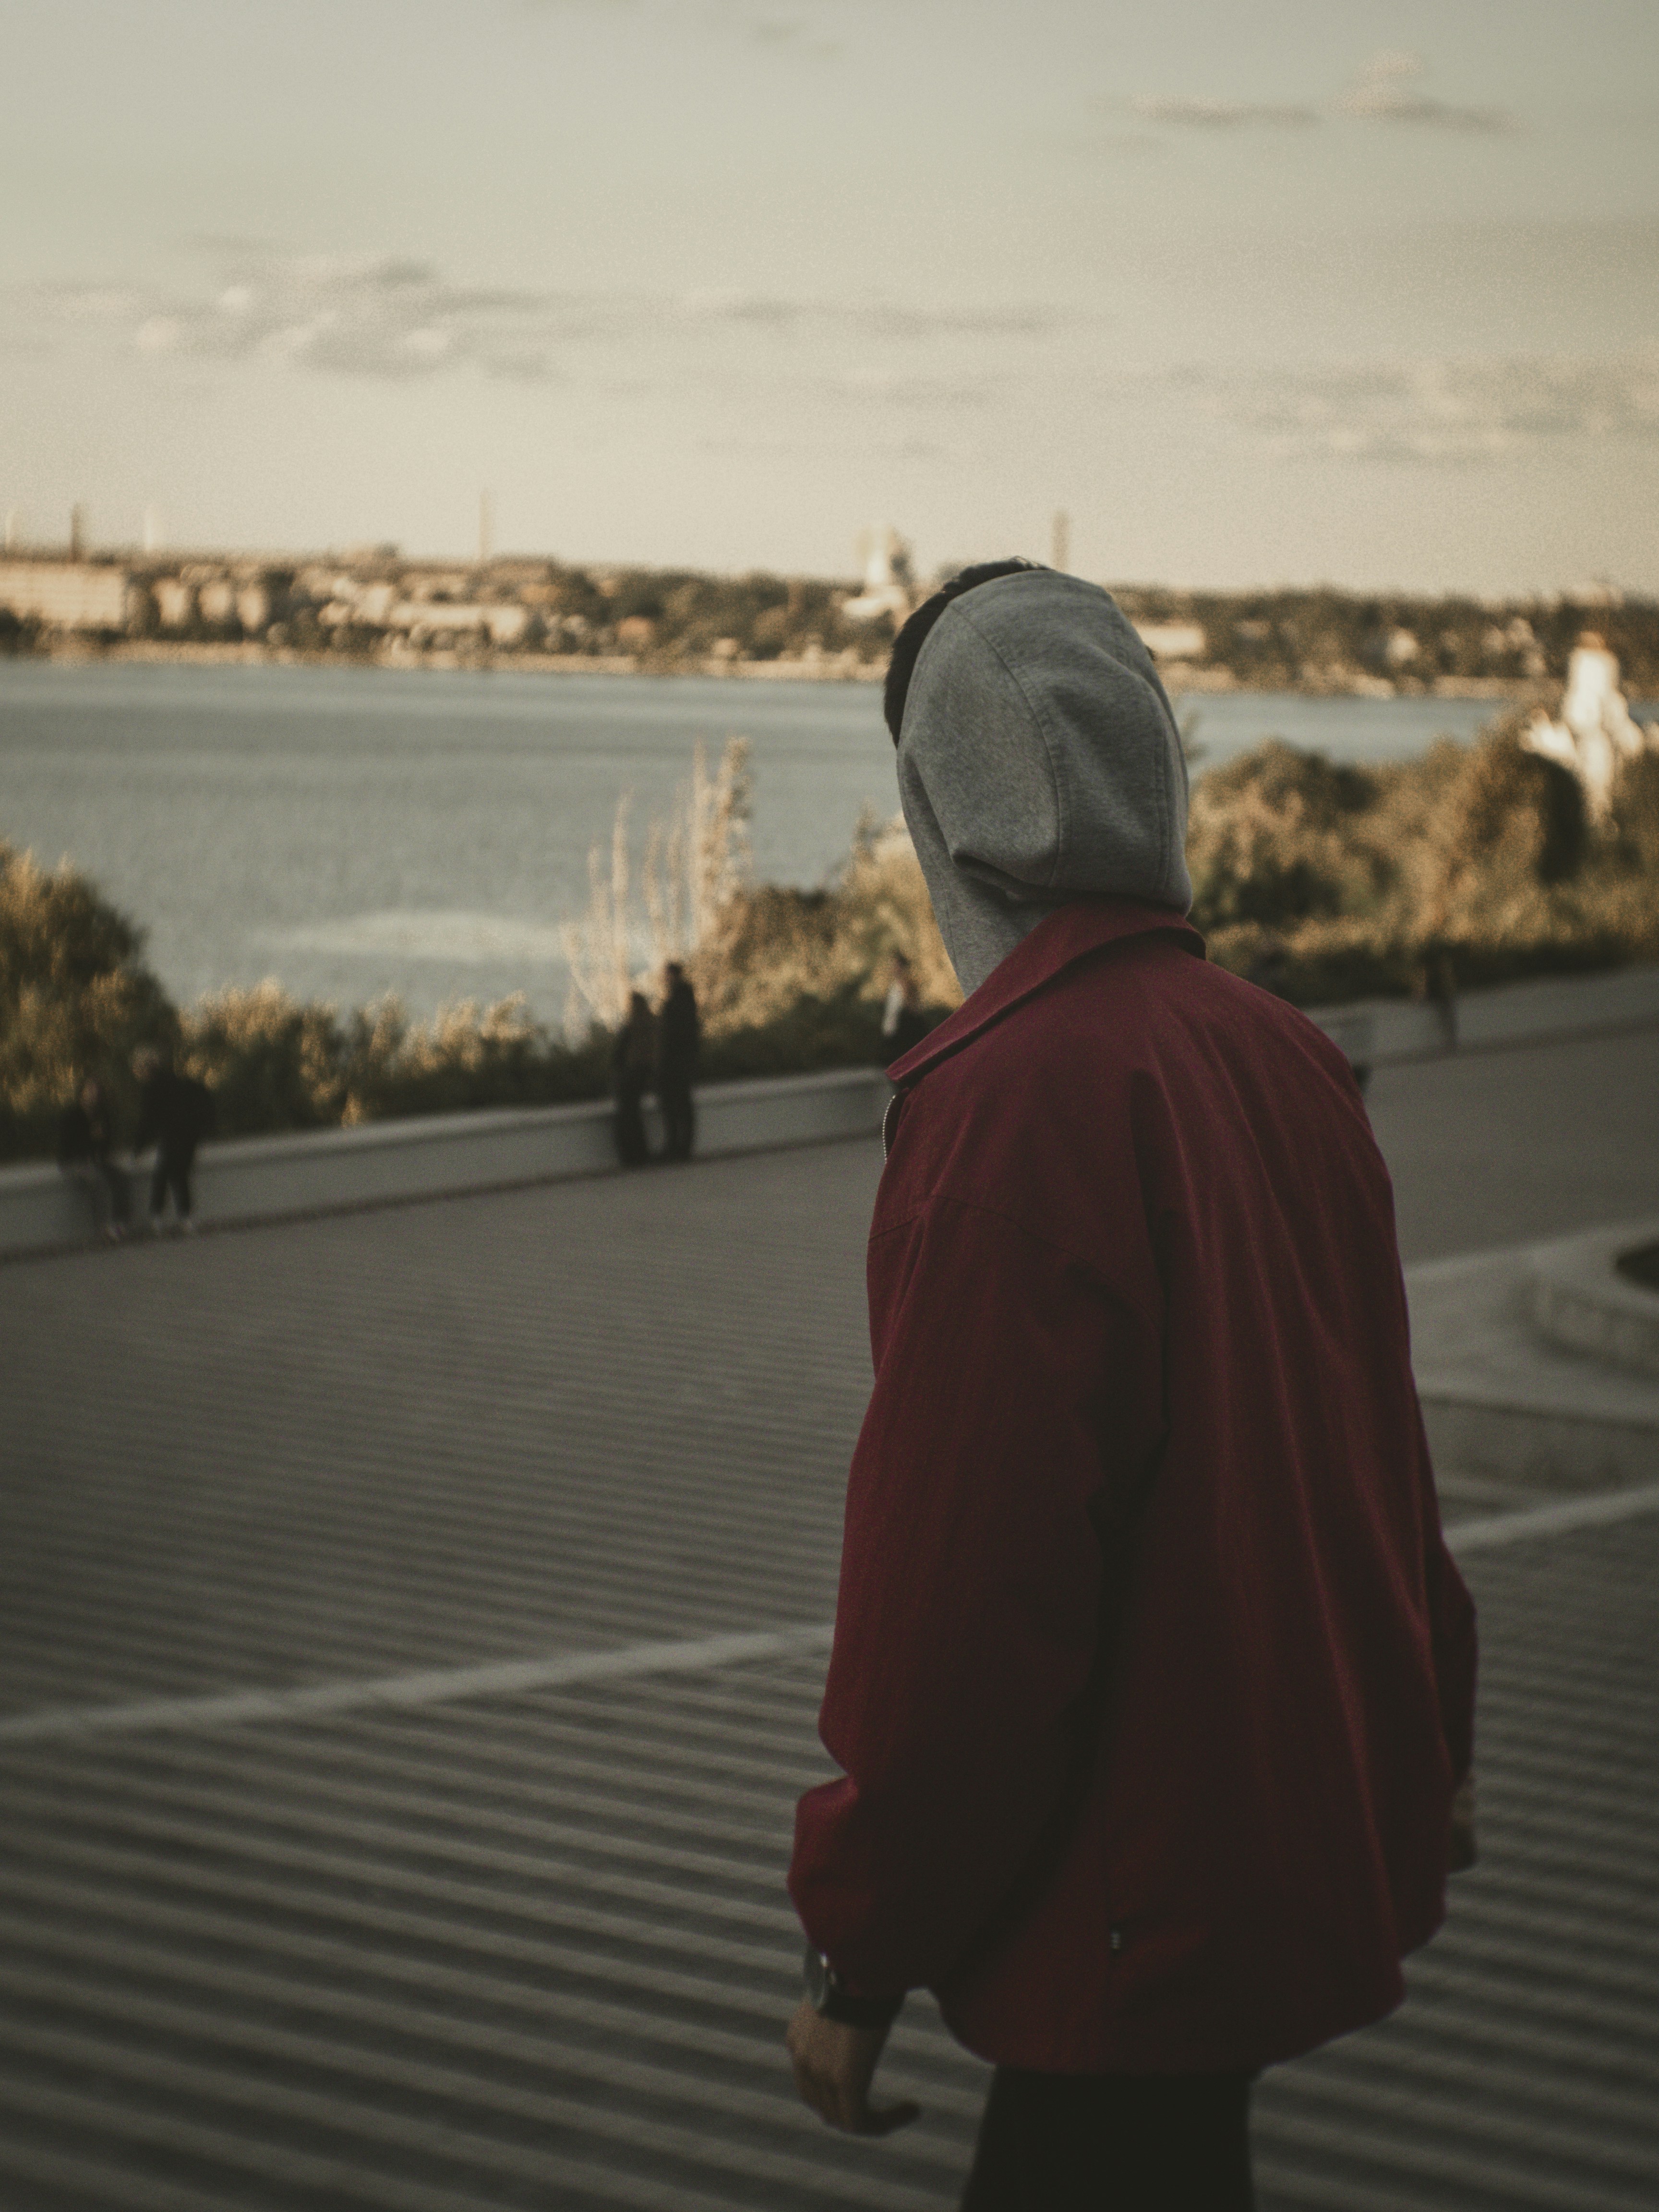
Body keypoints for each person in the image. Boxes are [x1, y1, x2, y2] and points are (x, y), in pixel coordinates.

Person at [784, 562, 1478, 2210]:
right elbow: (1380, 1452)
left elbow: (962, 1597)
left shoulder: (1008, 1100)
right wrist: (1430, 1736)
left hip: (1122, 1907)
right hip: (1249, 1859)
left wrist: (854, 1953)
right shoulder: (1281, 1053)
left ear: (936, 807)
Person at [131, 1046, 215, 1233]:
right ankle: (185, 1218)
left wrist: (138, 1149)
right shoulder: (179, 1082)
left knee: (163, 1175)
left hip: (172, 1137)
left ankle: (158, 1217)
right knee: (180, 1176)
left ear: (145, 1068)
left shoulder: (151, 1089)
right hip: (190, 1136)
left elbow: (147, 1121)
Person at [57, 1076, 131, 1240]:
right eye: (89, 1091)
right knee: (97, 1181)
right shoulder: (72, 1115)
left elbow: (106, 1145)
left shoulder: (101, 1115)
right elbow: (69, 1145)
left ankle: (120, 1223)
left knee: (121, 1178)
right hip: (74, 1162)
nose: (93, 1095)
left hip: (96, 1160)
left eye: (96, 1092)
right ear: (81, 1093)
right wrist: (91, 1138)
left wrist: (101, 1141)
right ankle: (104, 1227)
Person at [656, 961, 700, 1164]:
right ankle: (680, 1146)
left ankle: (678, 1146)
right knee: (680, 1104)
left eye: (667, 975)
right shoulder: (684, 1000)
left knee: (677, 1104)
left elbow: (674, 1035)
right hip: (681, 1061)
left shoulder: (678, 1002)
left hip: (676, 1062)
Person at [612, 991, 657, 1167]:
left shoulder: (633, 1027)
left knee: (628, 1116)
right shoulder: (652, 1025)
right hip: (640, 1075)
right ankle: (640, 1152)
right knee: (634, 1115)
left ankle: (631, 1153)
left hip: (630, 1076)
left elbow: (619, 1055)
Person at [879, 951, 929, 1061]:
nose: (893, 968)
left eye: (896, 965)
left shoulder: (907, 984)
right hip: (893, 1030)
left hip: (904, 1031)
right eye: (892, 965)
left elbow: (913, 1009)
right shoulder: (893, 985)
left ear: (902, 967)